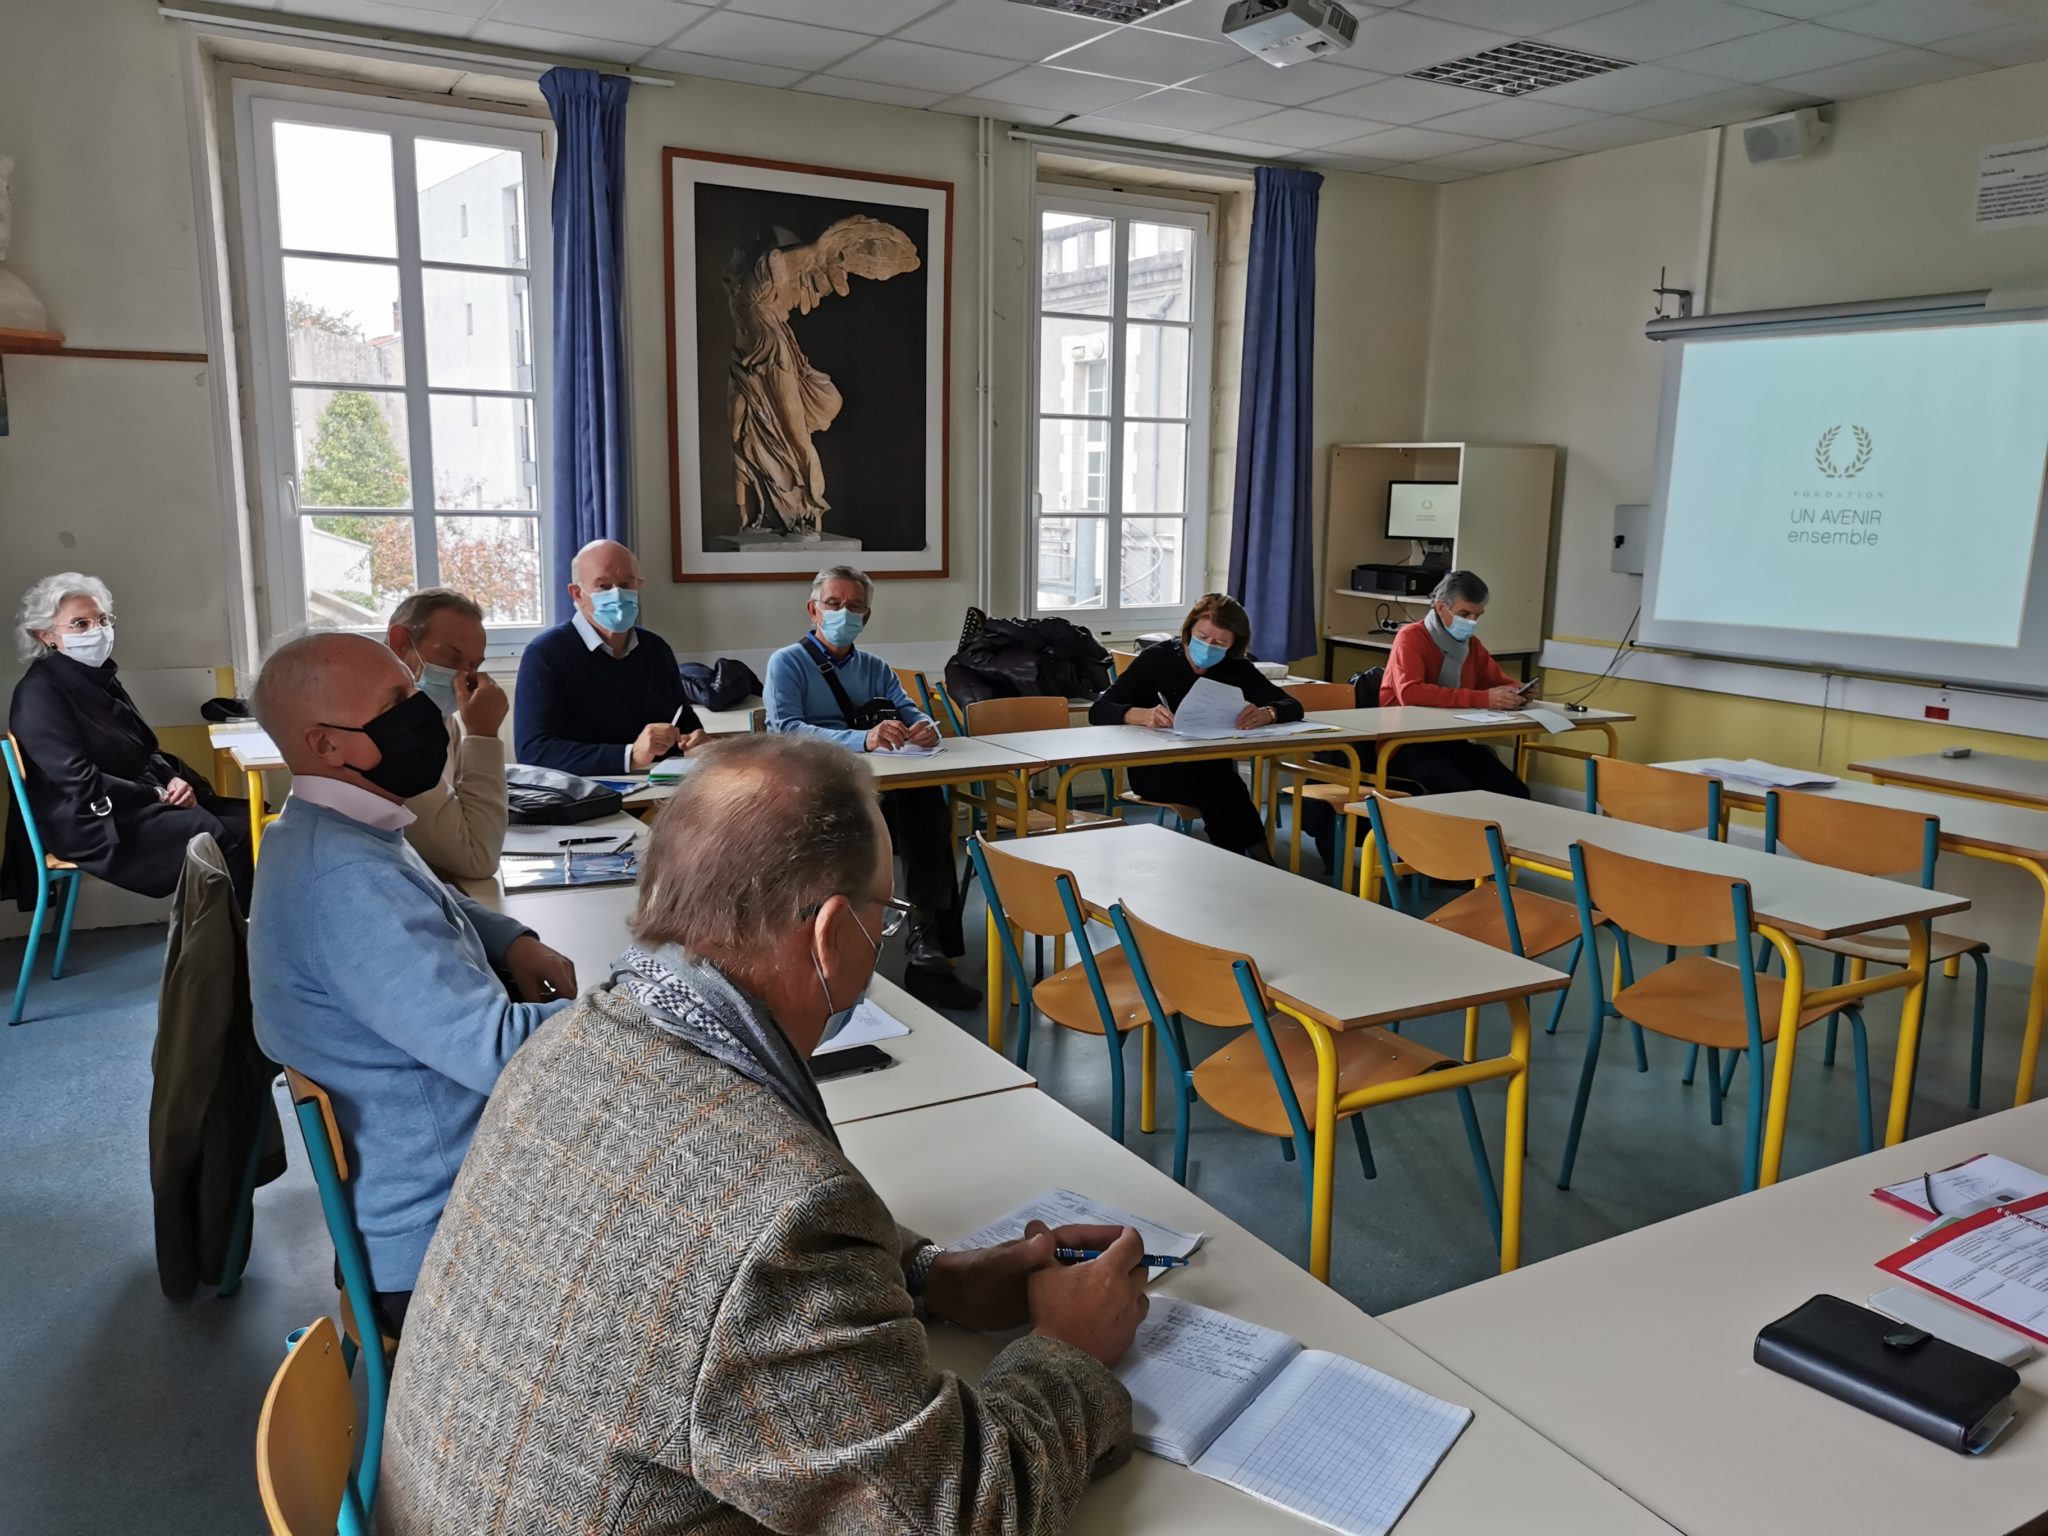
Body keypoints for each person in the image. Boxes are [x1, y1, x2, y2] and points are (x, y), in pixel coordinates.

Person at [379, 735, 1148, 1534]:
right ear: (829, 935)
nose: (884, 936)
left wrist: (931, 1275)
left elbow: (701, 1286)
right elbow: (960, 1515)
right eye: (886, 914)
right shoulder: (784, 1210)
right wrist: (1071, 1348)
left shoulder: (571, 1042)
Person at [247, 632, 577, 1333]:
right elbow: (500, 1051)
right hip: (445, 1237)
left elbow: (433, 898)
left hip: (442, 1179)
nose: (422, 714)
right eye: (397, 701)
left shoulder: (323, 828)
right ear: (327, 745)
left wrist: (510, 939)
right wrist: (657, 1001)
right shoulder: (342, 881)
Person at [763, 565, 978, 1010]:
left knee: (928, 805)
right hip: (817, 792)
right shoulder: (788, 663)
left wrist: (924, 729)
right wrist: (862, 738)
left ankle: (928, 944)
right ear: (813, 610)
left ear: (867, 615)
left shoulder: (875, 668)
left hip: (885, 788)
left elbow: (912, 710)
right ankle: (828, 940)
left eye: (855, 607)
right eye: (834, 604)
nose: (844, 613)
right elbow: (785, 731)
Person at [2, 573, 252, 908]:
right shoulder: (38, 695)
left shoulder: (100, 678)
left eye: (102, 619)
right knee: (219, 836)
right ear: (47, 636)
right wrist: (158, 793)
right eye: (80, 623)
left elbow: (145, 749)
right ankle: (230, 947)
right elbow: (79, 781)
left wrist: (173, 779)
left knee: (249, 822)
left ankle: (247, 936)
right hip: (90, 818)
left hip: (134, 800)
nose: (97, 630)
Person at [1088, 592, 1299, 859]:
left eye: (1220, 643)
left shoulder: (1235, 666)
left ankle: (1248, 863)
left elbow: (1291, 704)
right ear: (1188, 630)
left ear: (1233, 646)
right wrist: (1142, 715)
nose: (1209, 647)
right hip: (1157, 768)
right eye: (1202, 638)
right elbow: (1099, 710)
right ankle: (1249, 862)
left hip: (1209, 763)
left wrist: (1269, 713)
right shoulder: (1158, 659)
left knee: (1227, 788)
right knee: (1224, 791)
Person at [514, 539, 708, 777]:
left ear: (638, 587)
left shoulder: (655, 649)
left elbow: (683, 721)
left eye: (626, 584)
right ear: (577, 594)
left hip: (657, 791)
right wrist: (630, 756)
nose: (617, 594)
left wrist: (696, 740)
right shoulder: (545, 653)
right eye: (603, 587)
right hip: (584, 798)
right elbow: (534, 751)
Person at [384, 587, 508, 881]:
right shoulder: (390, 733)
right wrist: (484, 735)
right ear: (401, 643)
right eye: (452, 658)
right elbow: (478, 858)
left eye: (474, 666)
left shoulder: (439, 719)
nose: (465, 677)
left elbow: (466, 819)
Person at [1378, 569, 1532, 799]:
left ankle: (1497, 835)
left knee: (1515, 792)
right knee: (1465, 794)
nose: (1471, 622)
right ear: (1441, 608)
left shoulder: (1471, 645)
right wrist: (1483, 698)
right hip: (1405, 745)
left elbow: (1493, 679)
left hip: (1448, 741)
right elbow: (1411, 693)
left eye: (1476, 616)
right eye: (1464, 613)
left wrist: (1518, 690)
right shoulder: (1411, 637)